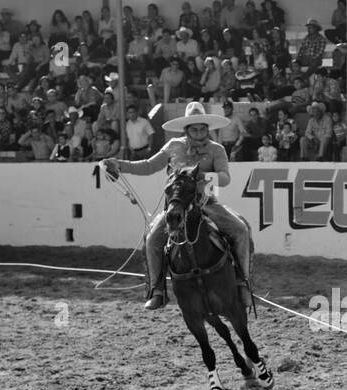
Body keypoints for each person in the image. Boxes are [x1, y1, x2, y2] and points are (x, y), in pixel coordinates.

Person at [105, 102, 254, 311]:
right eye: (195, 129)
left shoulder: (216, 149)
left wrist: (203, 176)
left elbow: (225, 177)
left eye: (203, 128)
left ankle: (242, 284)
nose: (200, 133)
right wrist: (121, 165)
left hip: (206, 203)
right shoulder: (173, 145)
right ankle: (157, 290)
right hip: (175, 207)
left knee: (240, 230)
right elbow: (149, 166)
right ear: (187, 130)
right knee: (152, 240)